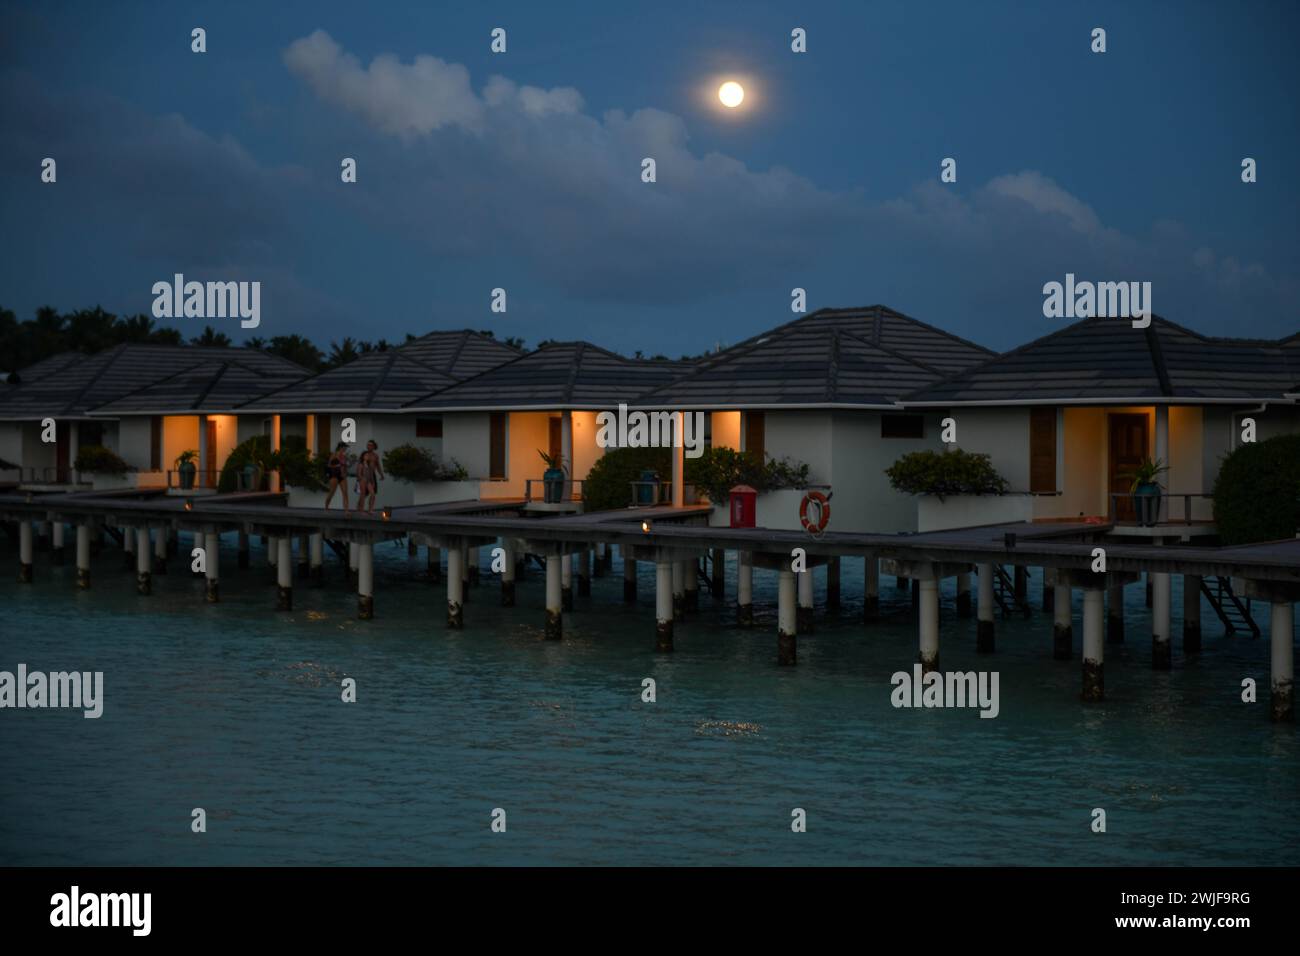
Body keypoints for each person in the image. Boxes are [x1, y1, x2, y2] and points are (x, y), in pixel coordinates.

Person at [355, 439, 383, 515]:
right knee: (363, 494)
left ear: (374, 446)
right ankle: (360, 509)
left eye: (370, 445)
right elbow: (359, 470)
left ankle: (370, 509)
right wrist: (360, 478)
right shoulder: (364, 455)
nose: (368, 446)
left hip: (371, 475)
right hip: (363, 477)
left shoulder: (375, 456)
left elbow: (378, 466)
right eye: (368, 445)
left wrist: (381, 475)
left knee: (372, 494)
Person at [323, 443, 350, 511]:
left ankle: (346, 510)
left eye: (346, 448)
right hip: (334, 475)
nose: (345, 449)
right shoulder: (334, 455)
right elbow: (329, 466)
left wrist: (345, 472)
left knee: (345, 493)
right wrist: (337, 465)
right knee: (332, 492)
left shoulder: (344, 456)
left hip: (342, 476)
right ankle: (326, 506)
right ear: (341, 447)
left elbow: (345, 466)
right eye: (345, 447)